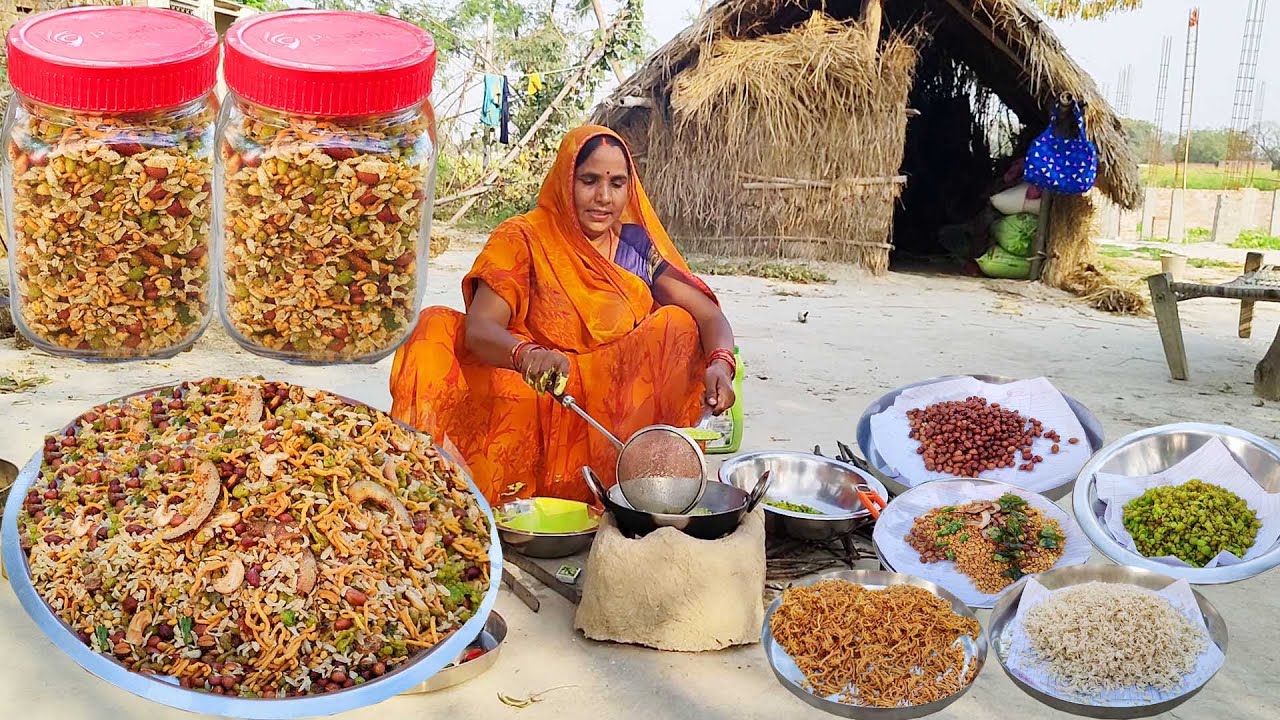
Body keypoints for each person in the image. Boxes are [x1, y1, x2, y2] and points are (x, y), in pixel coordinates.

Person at [390, 125, 737, 504]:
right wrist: (527, 355)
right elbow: (480, 329)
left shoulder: (635, 248)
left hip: (610, 413)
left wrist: (721, 364)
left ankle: (647, 481)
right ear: (565, 180)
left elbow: (707, 316)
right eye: (589, 180)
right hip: (533, 393)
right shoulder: (523, 238)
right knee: (433, 330)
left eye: (617, 183)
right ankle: (429, 485)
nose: (603, 197)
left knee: (678, 325)